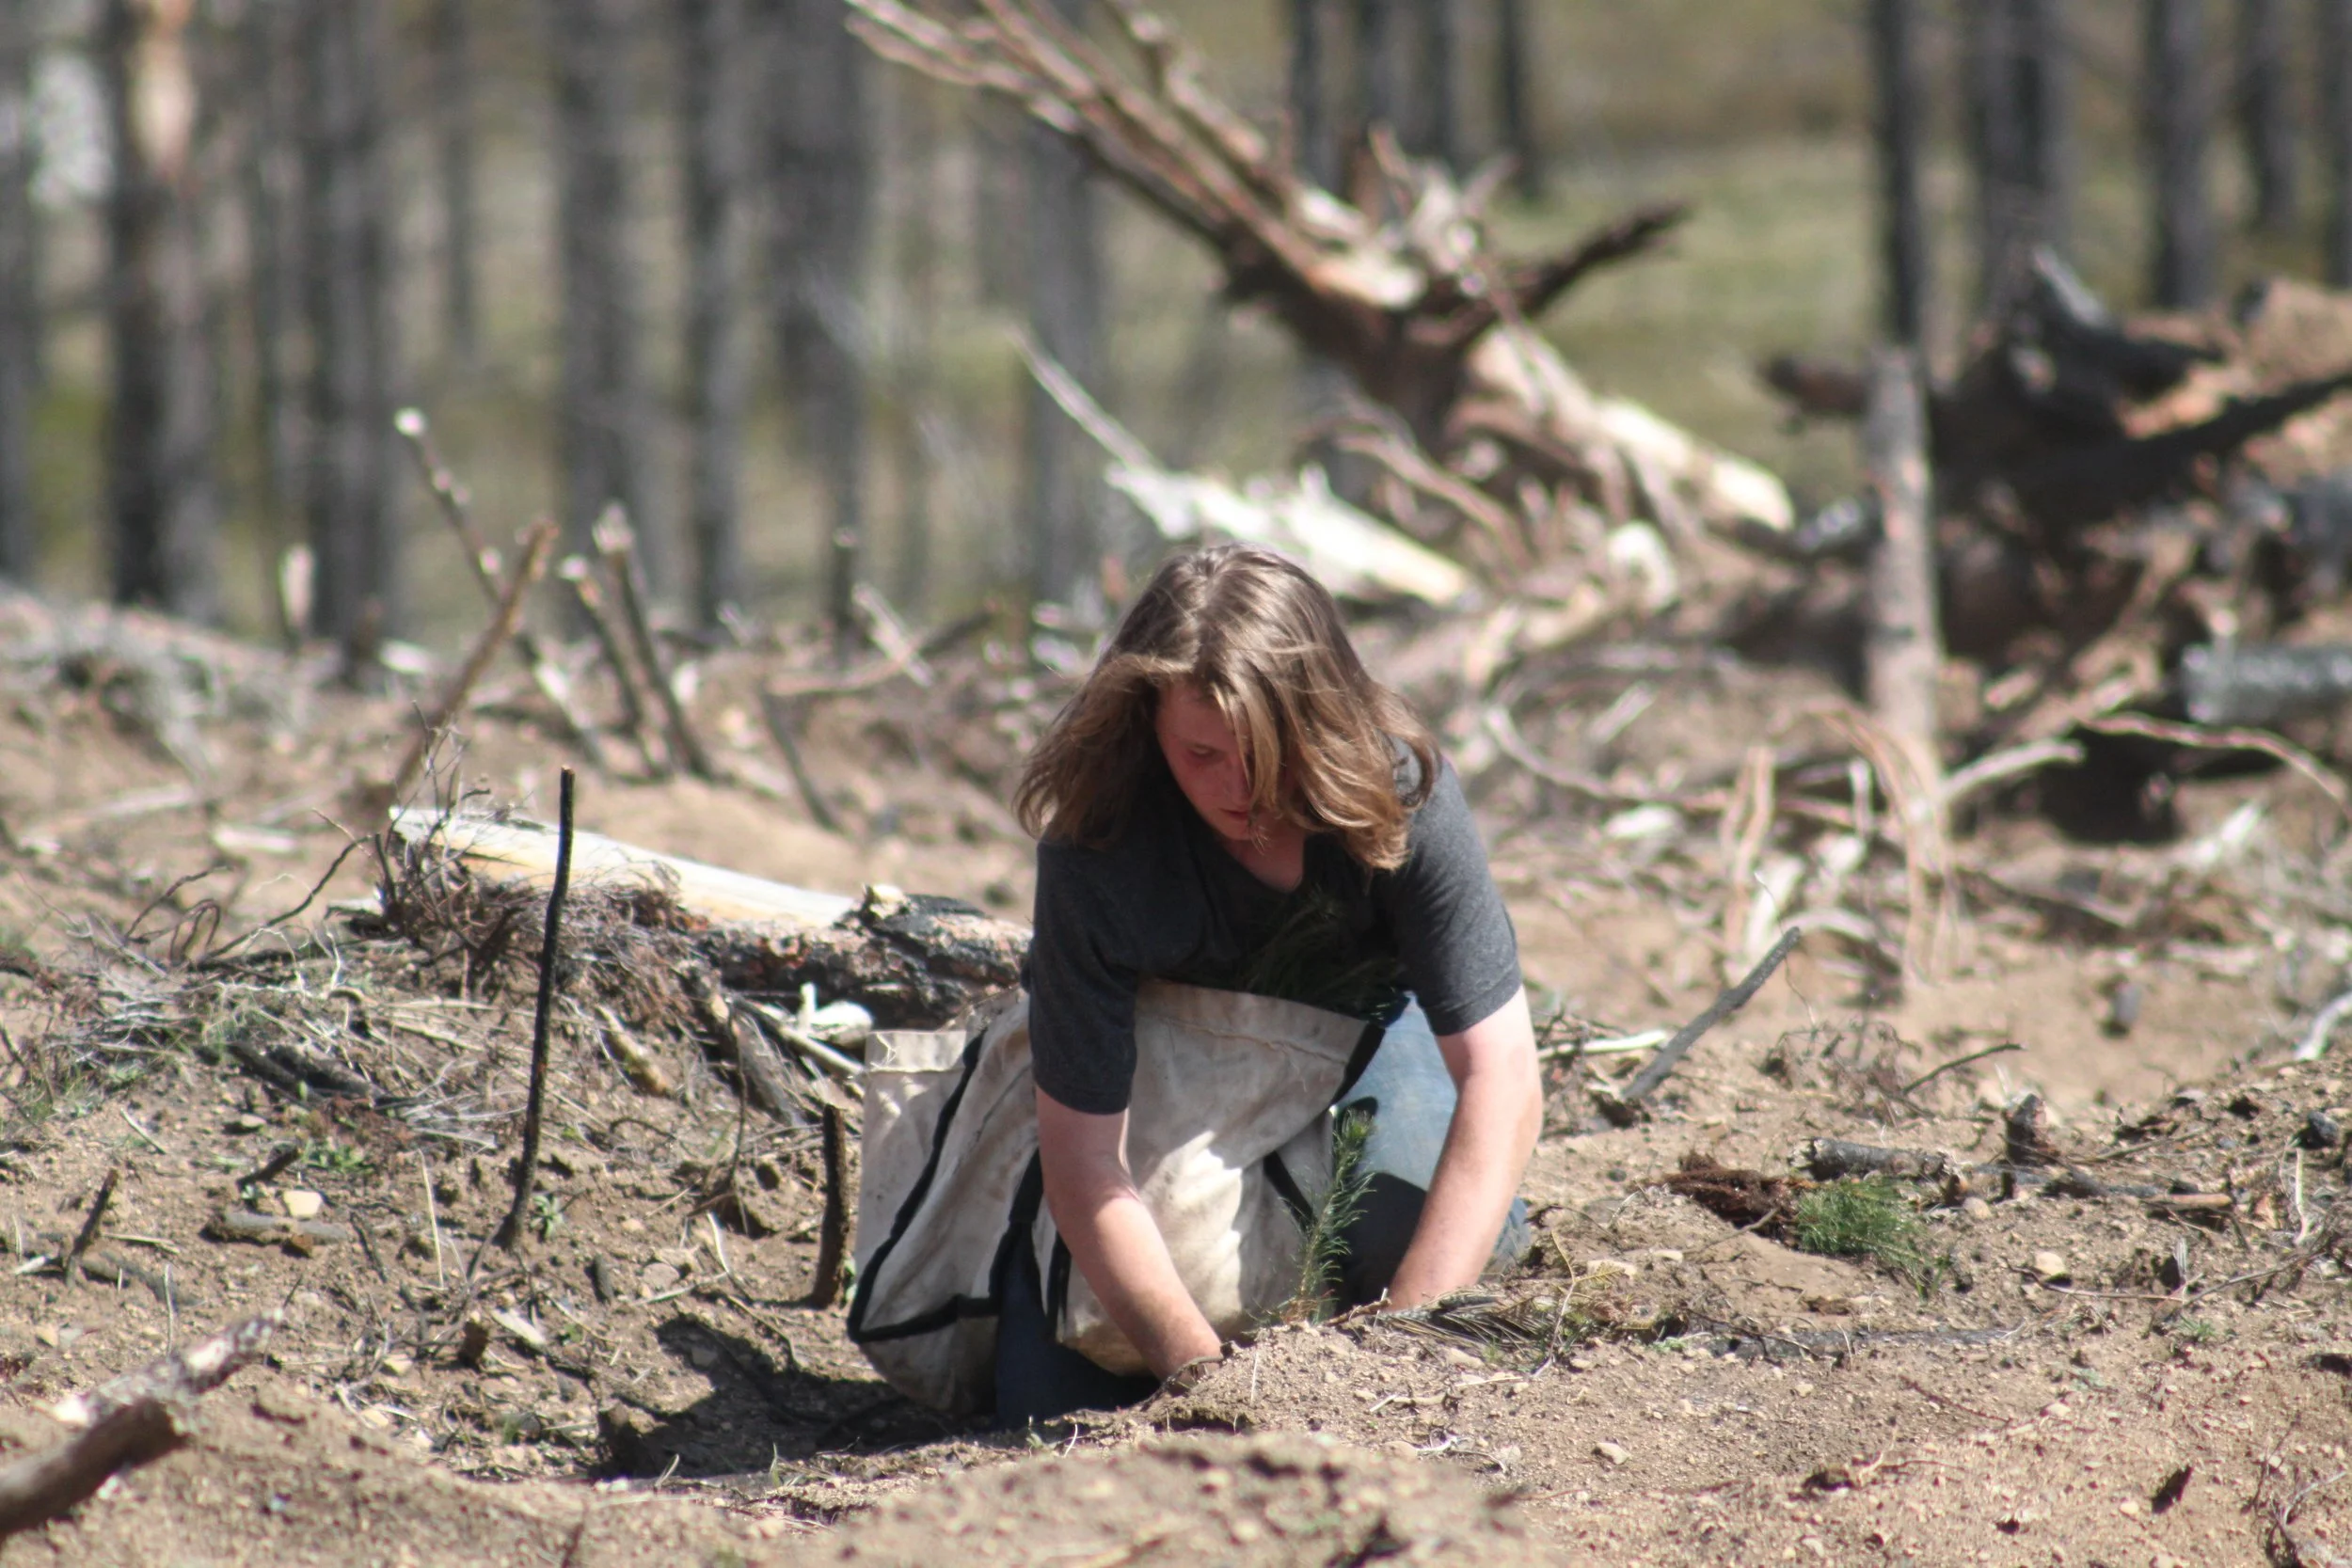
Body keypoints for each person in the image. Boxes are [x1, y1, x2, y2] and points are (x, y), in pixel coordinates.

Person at [1001, 543, 1539, 1425]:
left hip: (1364, 1044)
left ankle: (1349, 1323)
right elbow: (1086, 1161)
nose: (1240, 785)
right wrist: (1214, 1390)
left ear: (1320, 719)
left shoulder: (1399, 792)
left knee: (1414, 1229)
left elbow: (1504, 1076)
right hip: (1167, 1078)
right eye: (1203, 752)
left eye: (1268, 748)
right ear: (1146, 725)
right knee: (1048, 1394)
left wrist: (1397, 1363)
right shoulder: (1097, 852)